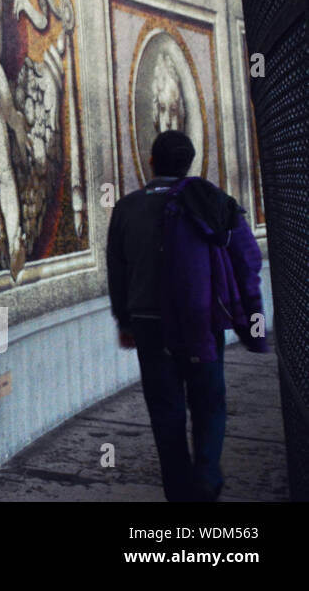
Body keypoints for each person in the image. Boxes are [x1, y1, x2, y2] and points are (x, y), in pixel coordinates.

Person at [106, 129, 269, 501]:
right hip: (201, 321)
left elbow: (118, 272)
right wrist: (251, 316)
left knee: (166, 412)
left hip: (149, 325)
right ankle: (207, 475)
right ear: (189, 163)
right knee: (209, 400)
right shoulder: (212, 200)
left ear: (151, 162)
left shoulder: (126, 208)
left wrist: (124, 322)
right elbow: (247, 259)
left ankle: (179, 493)